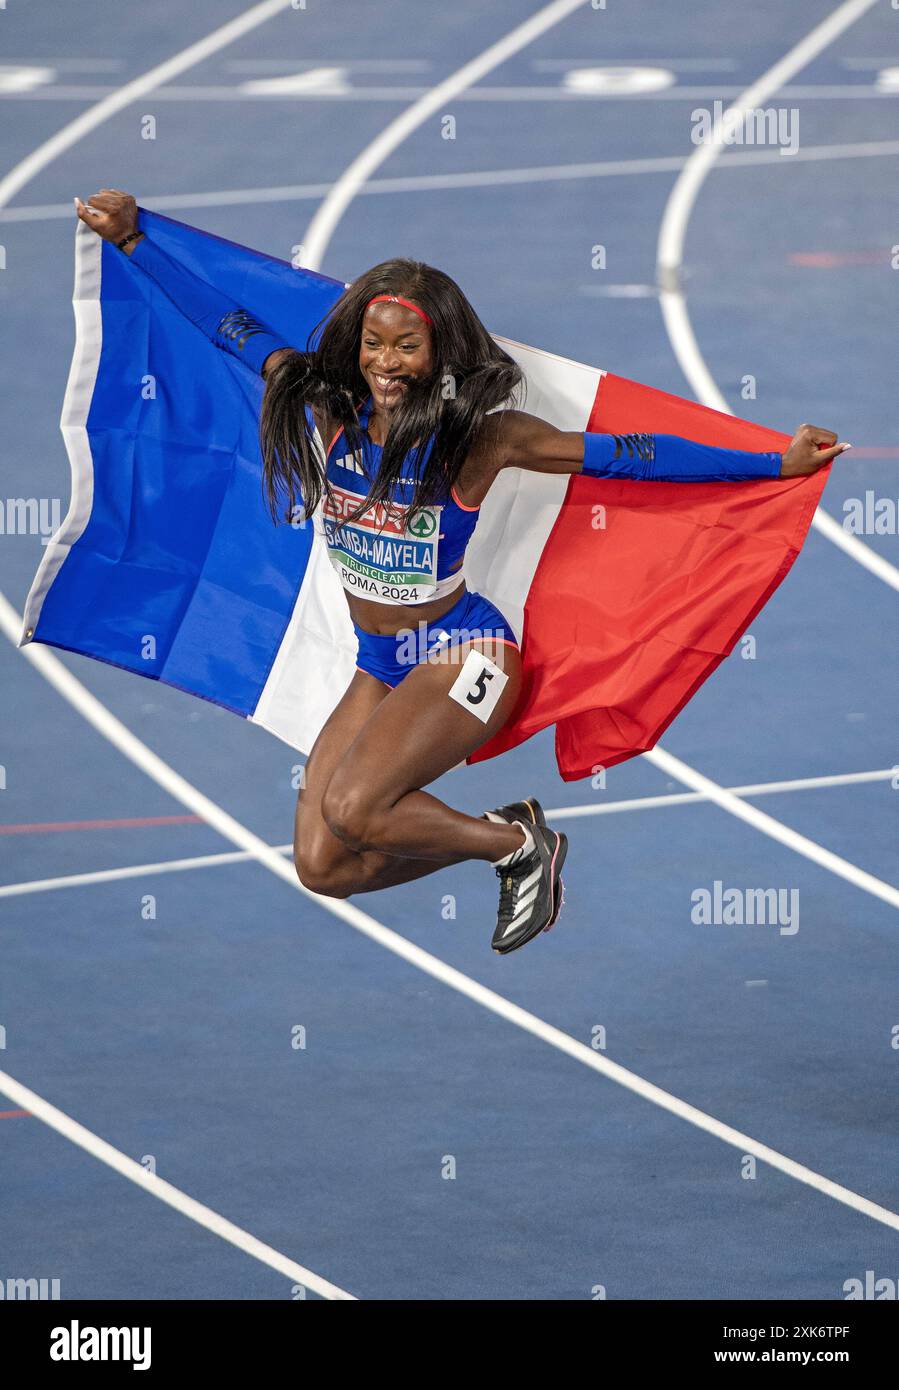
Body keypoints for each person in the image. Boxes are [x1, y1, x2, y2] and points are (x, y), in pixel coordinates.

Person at [74, 190, 848, 955]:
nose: (386, 363)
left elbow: (630, 455)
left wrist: (769, 461)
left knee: (356, 808)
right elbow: (229, 327)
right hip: (378, 663)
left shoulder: (485, 441)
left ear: (439, 354)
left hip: (464, 652)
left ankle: (514, 846)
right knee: (322, 862)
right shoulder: (325, 410)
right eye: (373, 344)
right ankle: (501, 838)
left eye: (405, 347)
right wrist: (135, 242)